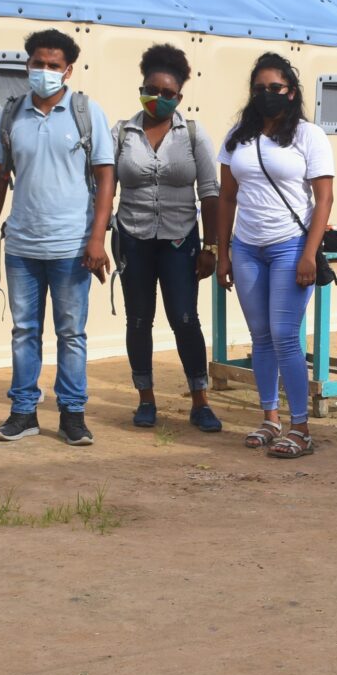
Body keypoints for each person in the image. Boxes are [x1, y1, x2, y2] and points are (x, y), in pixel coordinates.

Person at [0, 29, 115, 446]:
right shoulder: (11, 114)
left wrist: (97, 240)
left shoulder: (87, 113)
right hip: (21, 245)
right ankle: (23, 412)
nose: (44, 71)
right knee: (24, 331)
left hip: (71, 246)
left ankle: (72, 414)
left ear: (68, 70)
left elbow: (106, 178)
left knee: (71, 333)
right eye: (37, 63)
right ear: (27, 65)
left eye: (53, 66)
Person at [214, 52, 335, 460]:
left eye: (275, 88)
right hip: (247, 248)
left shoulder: (308, 135)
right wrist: (223, 253)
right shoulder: (238, 136)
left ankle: (300, 427)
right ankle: (270, 418)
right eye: (260, 88)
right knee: (261, 337)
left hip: (290, 247)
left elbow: (324, 199)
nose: (267, 95)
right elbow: (226, 198)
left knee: (285, 336)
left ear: (292, 92)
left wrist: (309, 254)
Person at [111, 44, 223, 433]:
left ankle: (200, 401)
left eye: (168, 93)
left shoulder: (192, 134)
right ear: (141, 88)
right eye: (151, 90)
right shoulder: (122, 133)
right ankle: (145, 399)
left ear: (180, 97)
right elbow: (103, 186)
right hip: (133, 237)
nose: (158, 99)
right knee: (138, 320)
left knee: (185, 318)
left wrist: (211, 246)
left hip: (180, 240)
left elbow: (210, 192)